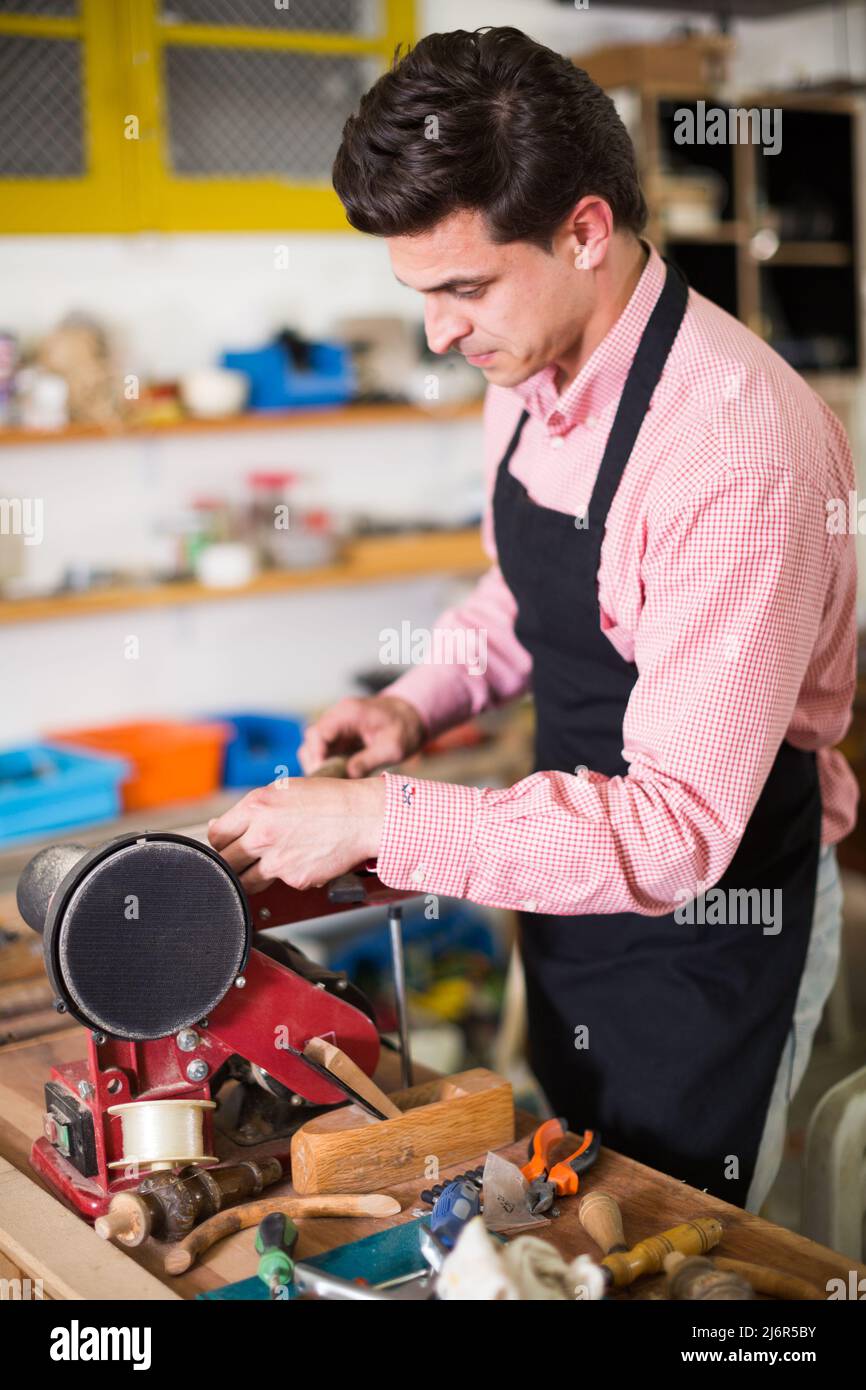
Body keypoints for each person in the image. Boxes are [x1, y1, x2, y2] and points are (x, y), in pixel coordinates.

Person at [209, 27, 858, 1211]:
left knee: (686, 1250)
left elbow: (669, 834)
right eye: (419, 293)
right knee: (550, 1213)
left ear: (585, 232)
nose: (437, 336)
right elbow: (527, 594)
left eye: (462, 288)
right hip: (567, 900)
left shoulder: (732, 451)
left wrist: (376, 818)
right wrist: (417, 702)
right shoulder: (529, 367)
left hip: (711, 929)